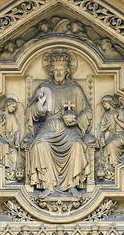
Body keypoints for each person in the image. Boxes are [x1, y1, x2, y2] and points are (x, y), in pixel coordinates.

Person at [25, 50, 92, 191]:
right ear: (52, 71)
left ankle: (72, 184)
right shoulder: (45, 88)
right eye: (56, 70)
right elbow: (30, 111)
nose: (59, 73)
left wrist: (76, 120)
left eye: (61, 70)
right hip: (49, 126)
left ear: (67, 71)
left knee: (77, 145)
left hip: (68, 129)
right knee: (39, 145)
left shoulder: (74, 89)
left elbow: (87, 111)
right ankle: (47, 184)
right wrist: (39, 108)